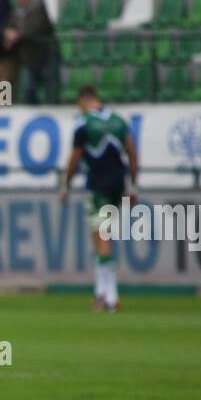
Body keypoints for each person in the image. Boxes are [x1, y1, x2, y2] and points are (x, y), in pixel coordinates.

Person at [60, 85, 139, 313]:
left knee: (101, 238)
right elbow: (132, 154)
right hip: (118, 185)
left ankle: (111, 297)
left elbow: (74, 158)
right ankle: (100, 293)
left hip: (97, 187)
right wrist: (133, 185)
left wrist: (65, 185)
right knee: (103, 238)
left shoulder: (83, 124)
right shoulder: (118, 121)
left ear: (82, 101)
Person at [5, 0, 58, 106]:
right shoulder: (15, 10)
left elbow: (39, 26)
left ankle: (51, 106)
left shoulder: (38, 8)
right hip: (21, 56)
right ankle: (7, 106)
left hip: (40, 55)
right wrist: (8, 33)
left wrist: (17, 35)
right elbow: (9, 26)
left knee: (45, 84)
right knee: (21, 86)